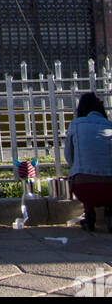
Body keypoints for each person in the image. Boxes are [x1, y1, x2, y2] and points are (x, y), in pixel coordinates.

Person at [64, 92, 112, 232]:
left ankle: (89, 213)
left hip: (84, 187)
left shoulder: (76, 125)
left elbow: (69, 157)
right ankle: (110, 212)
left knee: (78, 173)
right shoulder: (109, 125)